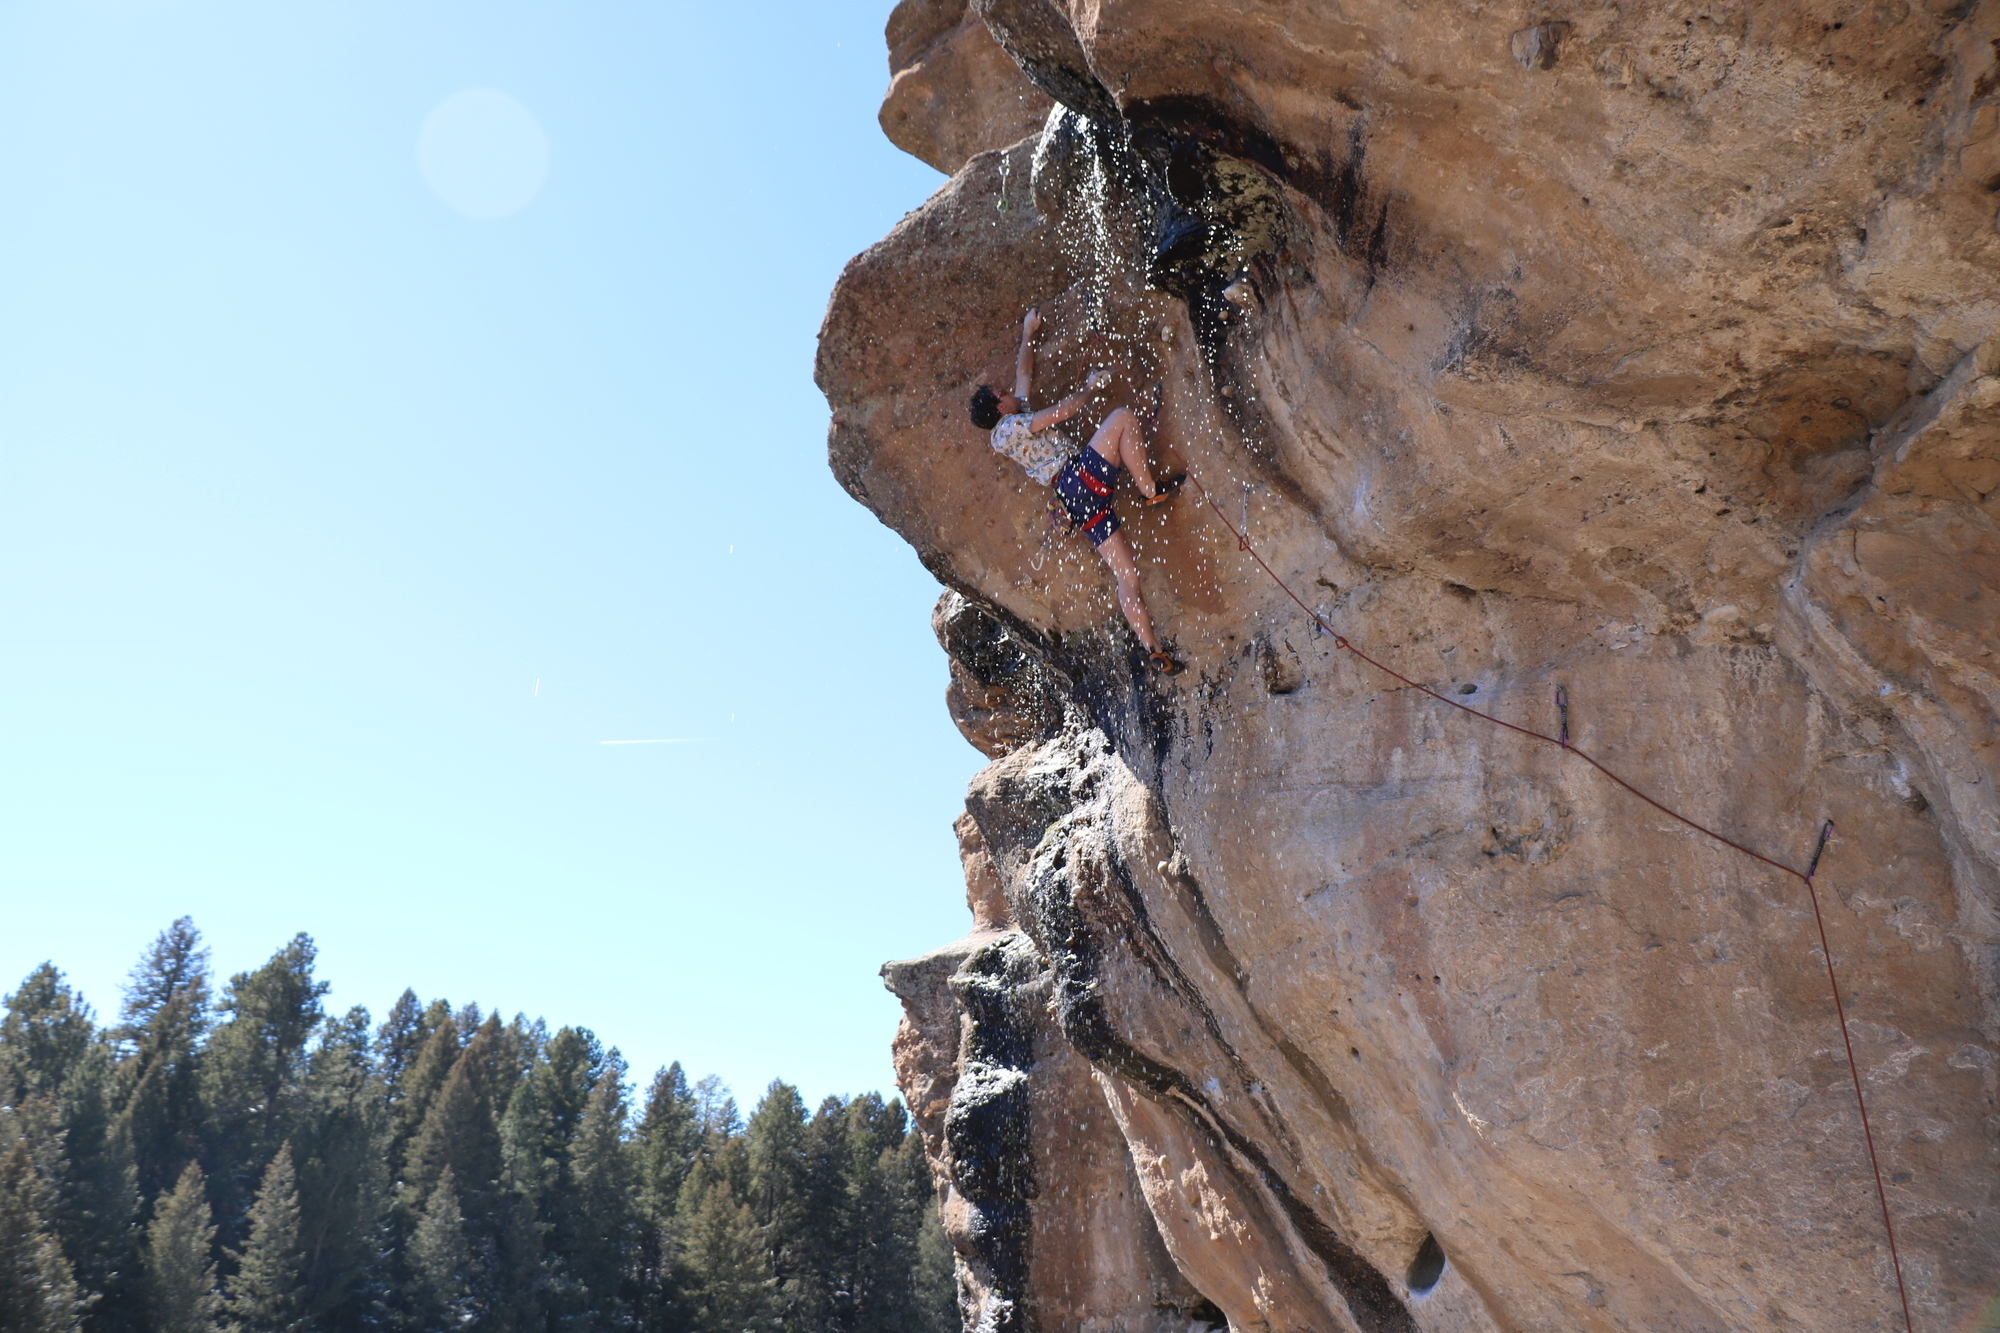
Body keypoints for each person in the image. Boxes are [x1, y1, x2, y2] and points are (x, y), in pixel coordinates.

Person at [969, 307, 1184, 674]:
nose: (1009, 391)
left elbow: (1024, 374)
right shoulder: (1008, 430)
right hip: (1076, 479)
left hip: (1078, 501)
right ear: (998, 407)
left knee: (1127, 576)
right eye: (1002, 393)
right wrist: (1090, 386)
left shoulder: (1013, 420)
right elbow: (1061, 412)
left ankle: (1153, 648)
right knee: (1122, 418)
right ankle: (1149, 490)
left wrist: (1028, 332)